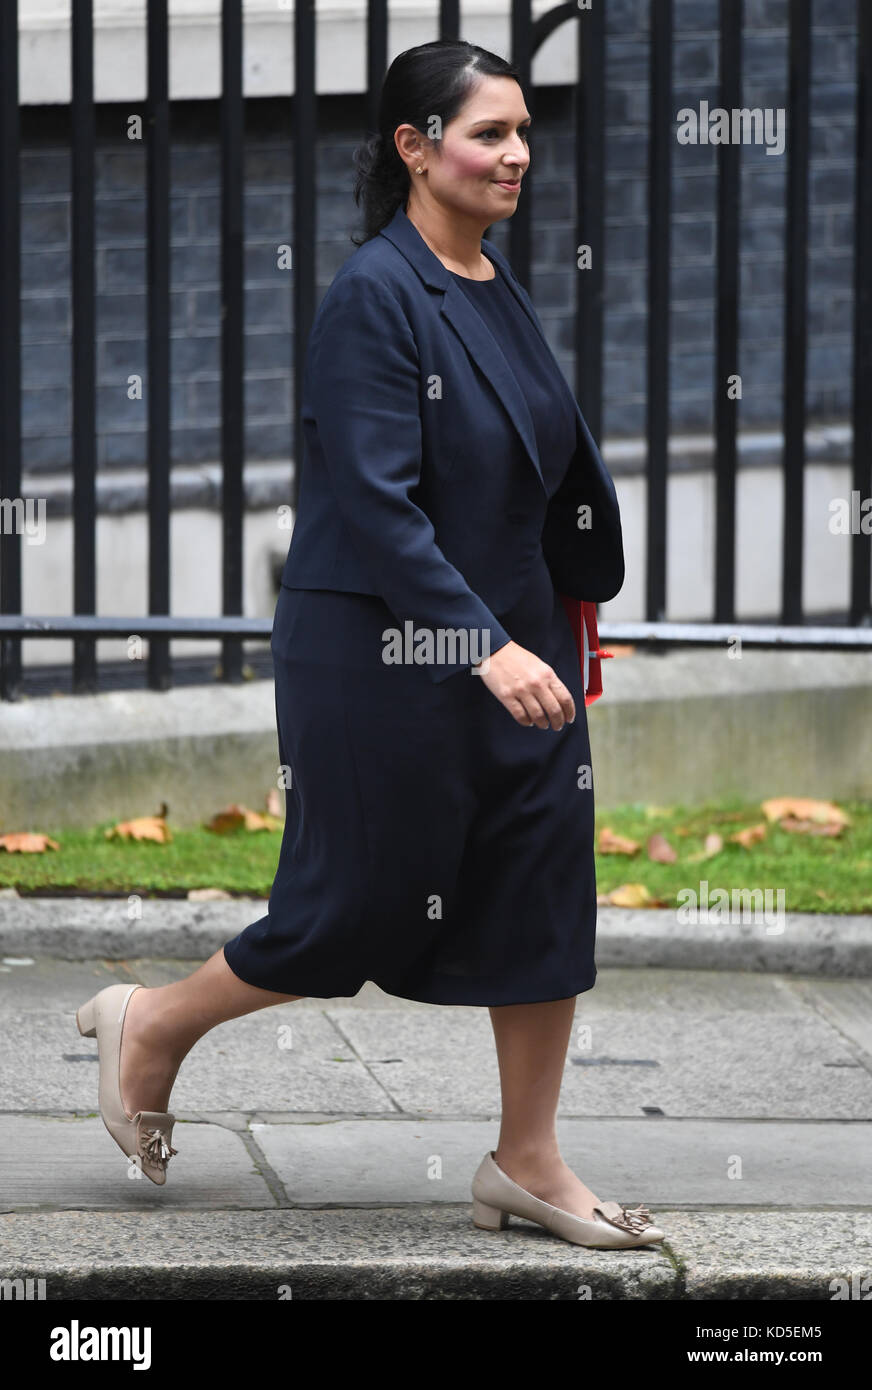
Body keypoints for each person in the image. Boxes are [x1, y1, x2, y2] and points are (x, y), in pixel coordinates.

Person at [76, 37, 663, 1250]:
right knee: (352, 905)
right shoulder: (374, 296)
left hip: (521, 644)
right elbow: (378, 507)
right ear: (414, 147)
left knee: (541, 889)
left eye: (521, 130)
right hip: (387, 654)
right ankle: (153, 1022)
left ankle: (524, 1161)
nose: (517, 152)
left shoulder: (488, 280)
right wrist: (482, 647)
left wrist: (536, 630)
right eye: (488, 132)